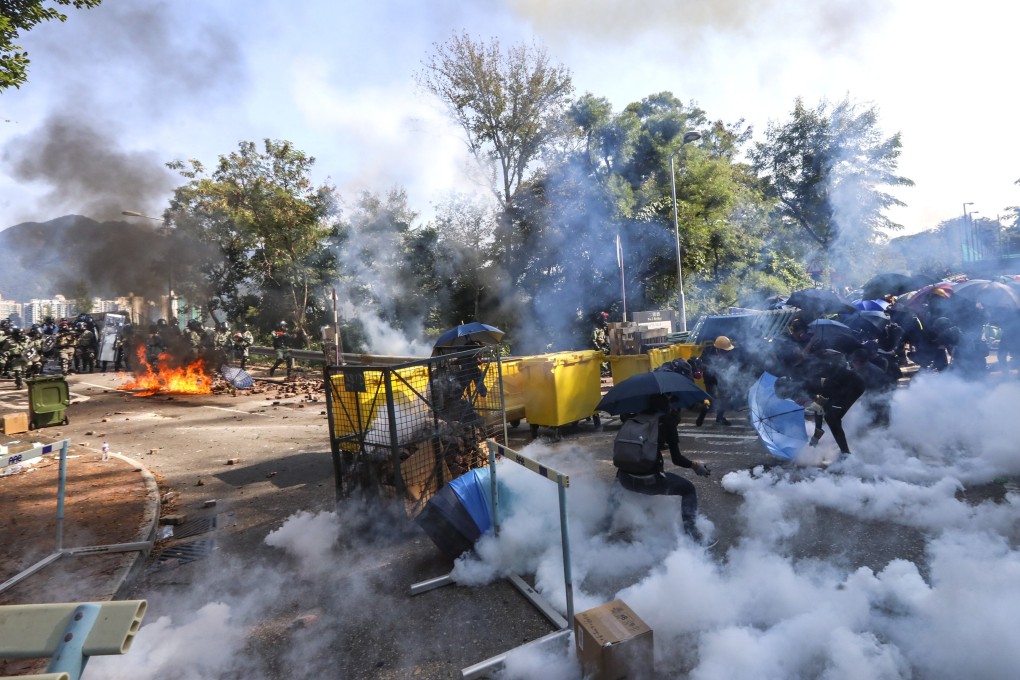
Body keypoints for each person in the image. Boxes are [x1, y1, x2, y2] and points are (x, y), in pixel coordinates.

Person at [614, 393, 712, 543]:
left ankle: (605, 524)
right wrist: (696, 466)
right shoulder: (666, 421)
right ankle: (692, 535)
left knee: (617, 484)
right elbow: (677, 459)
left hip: (624, 480)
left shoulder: (633, 418)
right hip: (649, 482)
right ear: (665, 405)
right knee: (688, 489)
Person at [697, 335, 737, 426]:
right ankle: (701, 416)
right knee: (710, 398)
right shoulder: (708, 352)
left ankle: (720, 418)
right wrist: (709, 368)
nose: (725, 352)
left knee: (725, 396)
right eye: (723, 350)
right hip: (709, 377)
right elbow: (701, 364)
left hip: (721, 376)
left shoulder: (726, 353)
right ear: (718, 348)